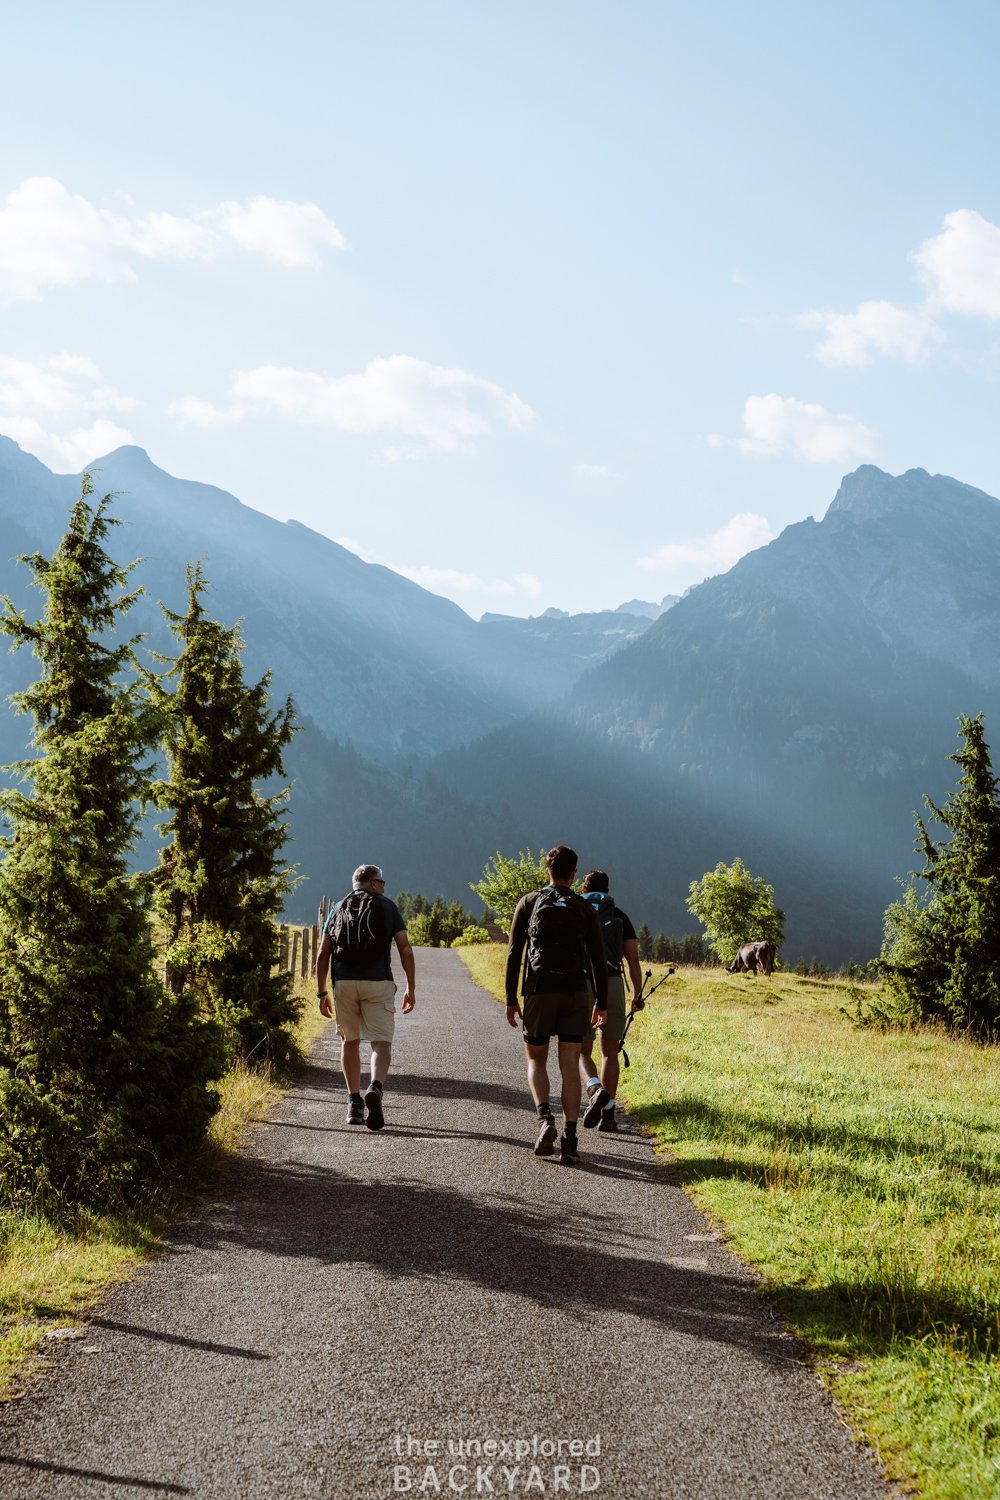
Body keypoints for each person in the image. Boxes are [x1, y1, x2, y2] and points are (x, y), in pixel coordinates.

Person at [504, 845, 608, 1165]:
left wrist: (511, 998)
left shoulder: (529, 901)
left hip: (539, 990)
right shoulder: (583, 906)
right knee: (570, 1065)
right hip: (576, 992)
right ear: (574, 874)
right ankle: (570, 1140)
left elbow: (514, 953)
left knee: (536, 1059)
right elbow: (598, 959)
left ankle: (544, 1119)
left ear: (546, 870)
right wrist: (601, 1002)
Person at [316, 863, 415, 1130]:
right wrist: (411, 987)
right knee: (381, 1043)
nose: (383, 886)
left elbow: (323, 954)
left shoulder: (338, 908)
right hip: (378, 982)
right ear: (372, 883)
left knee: (349, 1041)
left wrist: (322, 992)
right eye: (382, 882)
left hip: (344, 983)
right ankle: (375, 1087)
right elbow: (405, 949)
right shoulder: (388, 907)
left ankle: (354, 1103)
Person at [578, 870, 645, 1133]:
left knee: (582, 1051)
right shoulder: (619, 916)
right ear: (607, 890)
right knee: (610, 1052)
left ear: (584, 889)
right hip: (613, 982)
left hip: (582, 983)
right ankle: (608, 1115)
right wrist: (637, 995)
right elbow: (633, 961)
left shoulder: (576, 910)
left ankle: (594, 1088)